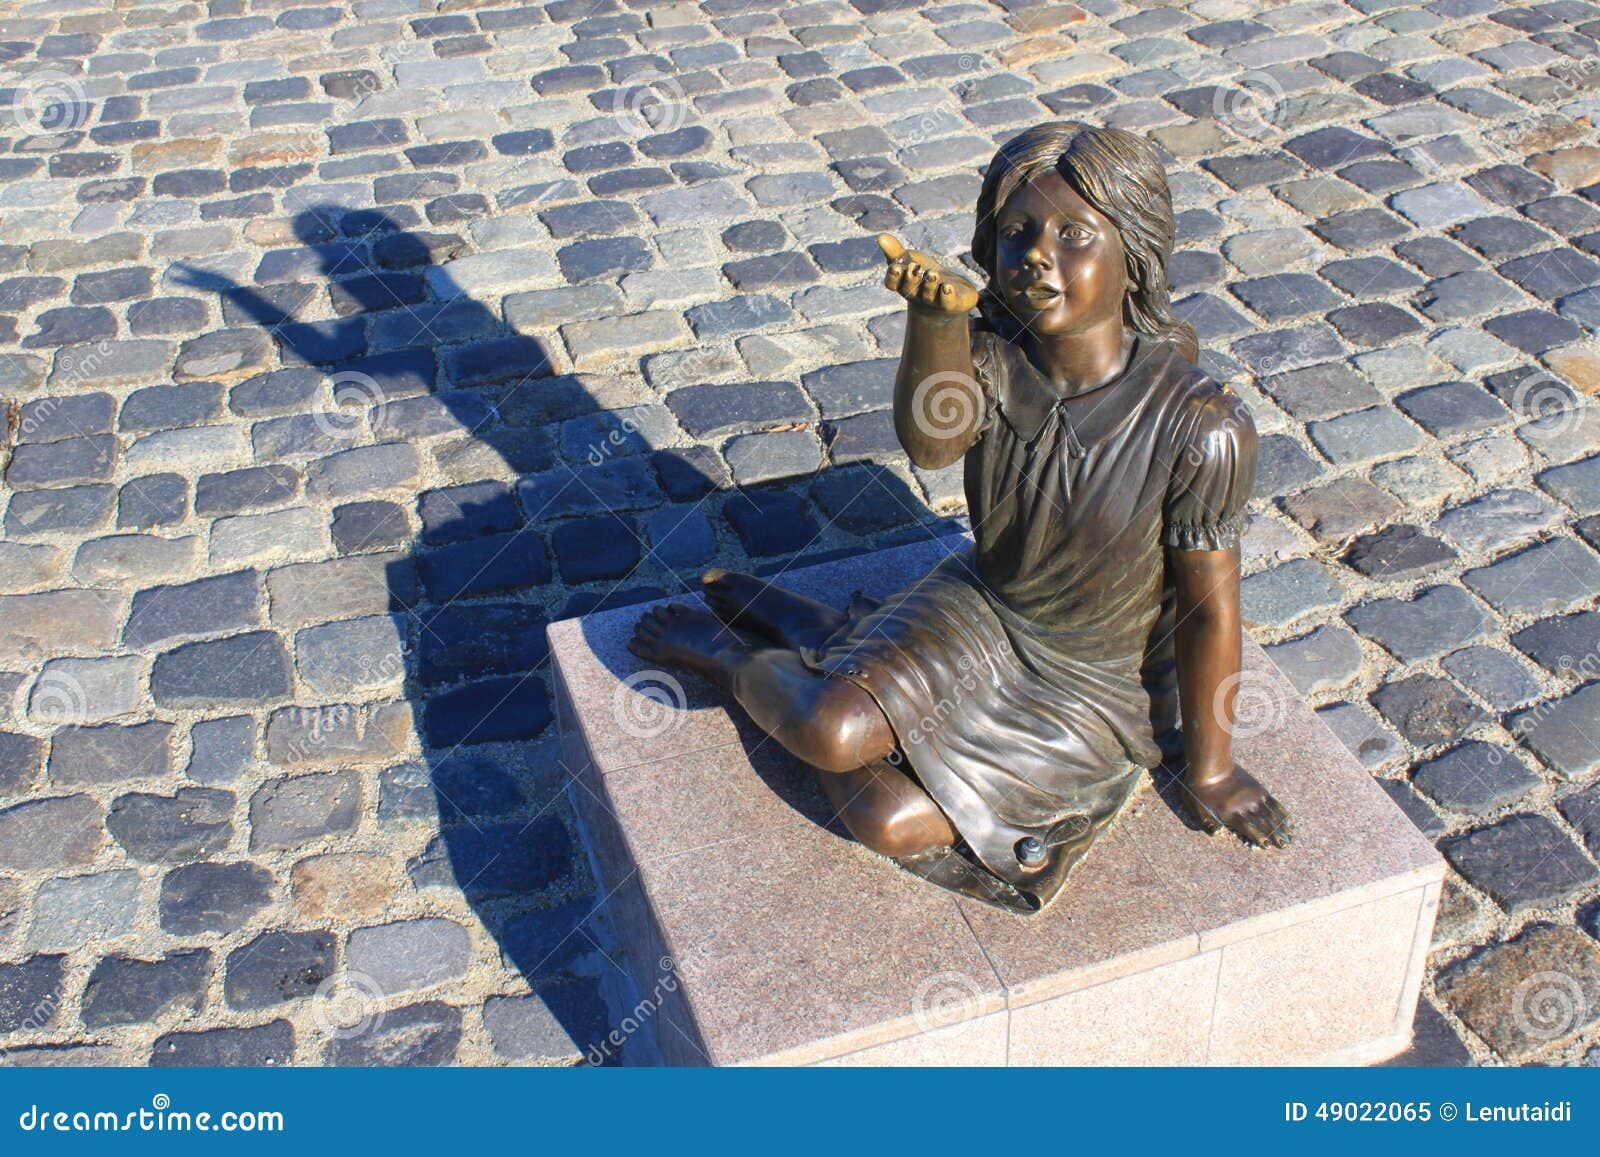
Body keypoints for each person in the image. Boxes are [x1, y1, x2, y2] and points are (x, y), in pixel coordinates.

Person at [630, 121, 1292, 913]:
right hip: (984, 608)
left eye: (1074, 234)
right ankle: (730, 657)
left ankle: (823, 635)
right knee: (833, 734)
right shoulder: (992, 357)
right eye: (1017, 233)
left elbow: (1211, 609)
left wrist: (1211, 767)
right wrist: (936, 324)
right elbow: (933, 444)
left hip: (1091, 688)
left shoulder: (1201, 425)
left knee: (886, 815)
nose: (1038, 253)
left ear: (1135, 256)